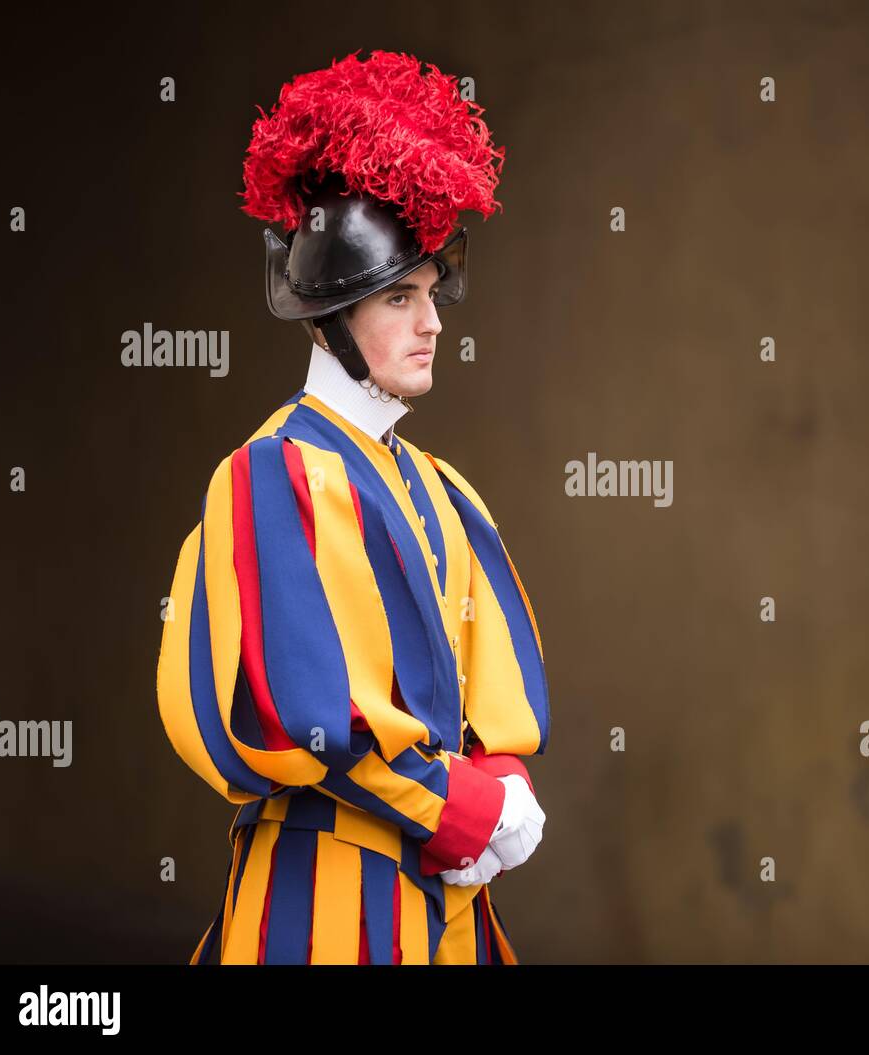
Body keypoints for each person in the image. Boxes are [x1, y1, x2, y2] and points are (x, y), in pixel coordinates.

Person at [155, 49, 550, 965]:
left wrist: (499, 780)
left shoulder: (444, 488)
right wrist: (463, 808)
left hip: (448, 910)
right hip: (319, 898)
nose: (433, 323)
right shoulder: (269, 475)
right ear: (331, 312)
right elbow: (309, 710)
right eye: (400, 297)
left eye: (431, 295)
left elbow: (489, 697)